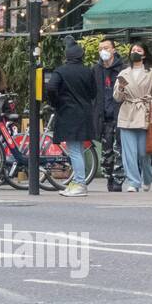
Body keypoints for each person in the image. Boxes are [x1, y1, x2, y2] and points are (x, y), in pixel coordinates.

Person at [112, 41, 152, 193]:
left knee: (143, 152)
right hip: (127, 113)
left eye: (139, 50)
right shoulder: (123, 73)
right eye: (133, 50)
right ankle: (133, 182)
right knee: (129, 153)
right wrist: (120, 88)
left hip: (144, 114)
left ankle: (147, 176)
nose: (135, 52)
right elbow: (116, 97)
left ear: (144, 54)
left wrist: (150, 107)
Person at [48, 41, 97, 197]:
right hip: (85, 113)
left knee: (74, 150)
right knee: (79, 149)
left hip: (68, 113)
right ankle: (76, 181)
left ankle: (80, 184)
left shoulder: (61, 71)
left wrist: (56, 102)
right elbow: (93, 92)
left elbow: (50, 88)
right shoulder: (88, 71)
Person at [92, 37, 125, 191]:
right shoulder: (96, 70)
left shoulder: (123, 69)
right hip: (103, 116)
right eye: (100, 49)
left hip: (119, 115)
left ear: (114, 49)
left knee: (119, 149)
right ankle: (109, 178)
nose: (103, 51)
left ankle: (118, 180)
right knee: (106, 151)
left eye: (106, 48)